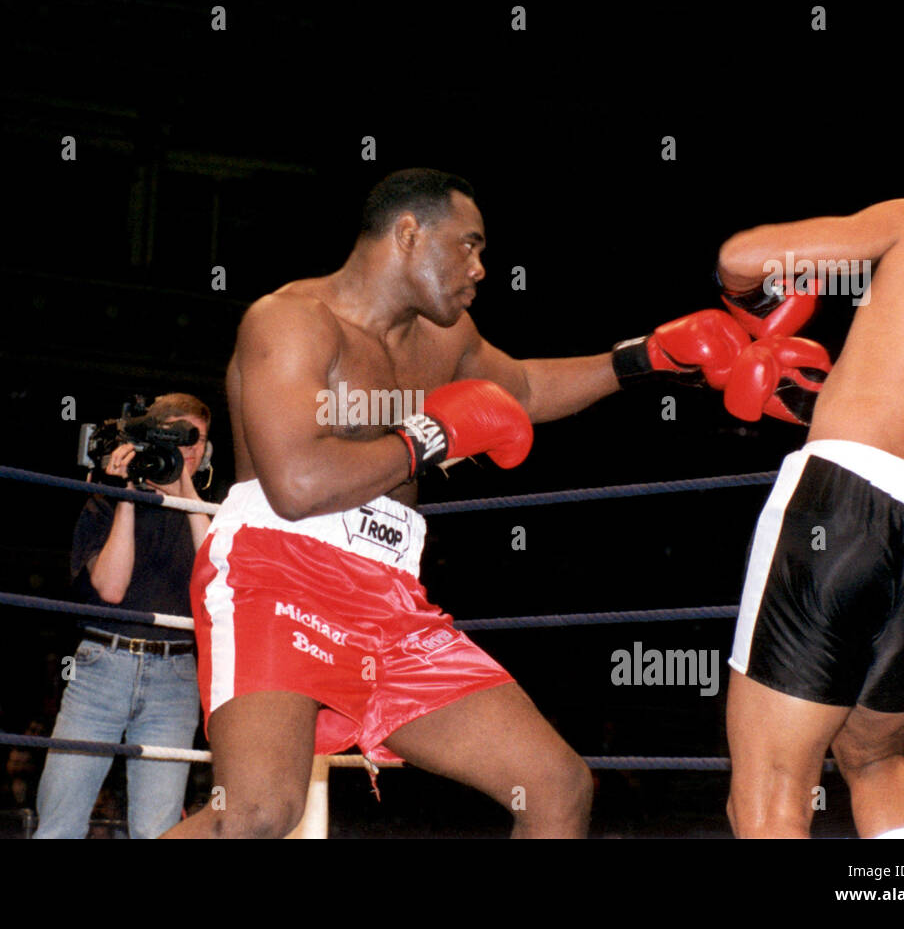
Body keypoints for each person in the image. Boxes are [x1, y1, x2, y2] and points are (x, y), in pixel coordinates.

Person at [162, 168, 805, 839]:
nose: (481, 267)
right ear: (408, 233)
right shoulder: (291, 320)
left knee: (555, 787)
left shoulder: (447, 336)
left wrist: (643, 359)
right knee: (257, 813)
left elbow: (521, 387)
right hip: (279, 569)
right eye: (468, 245)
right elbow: (296, 486)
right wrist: (430, 437)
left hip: (389, 592)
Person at [721, 198, 904, 838]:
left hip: (845, 501)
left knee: (771, 795)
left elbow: (740, 257)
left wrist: (749, 305)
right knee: (877, 757)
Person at [34, 393, 212, 839]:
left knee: (157, 829)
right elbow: (111, 588)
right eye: (176, 438)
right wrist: (127, 494)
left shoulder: (210, 513)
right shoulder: (104, 499)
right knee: (60, 822)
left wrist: (186, 495)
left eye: (197, 441)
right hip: (101, 668)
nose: (187, 450)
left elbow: (215, 585)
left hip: (176, 676)